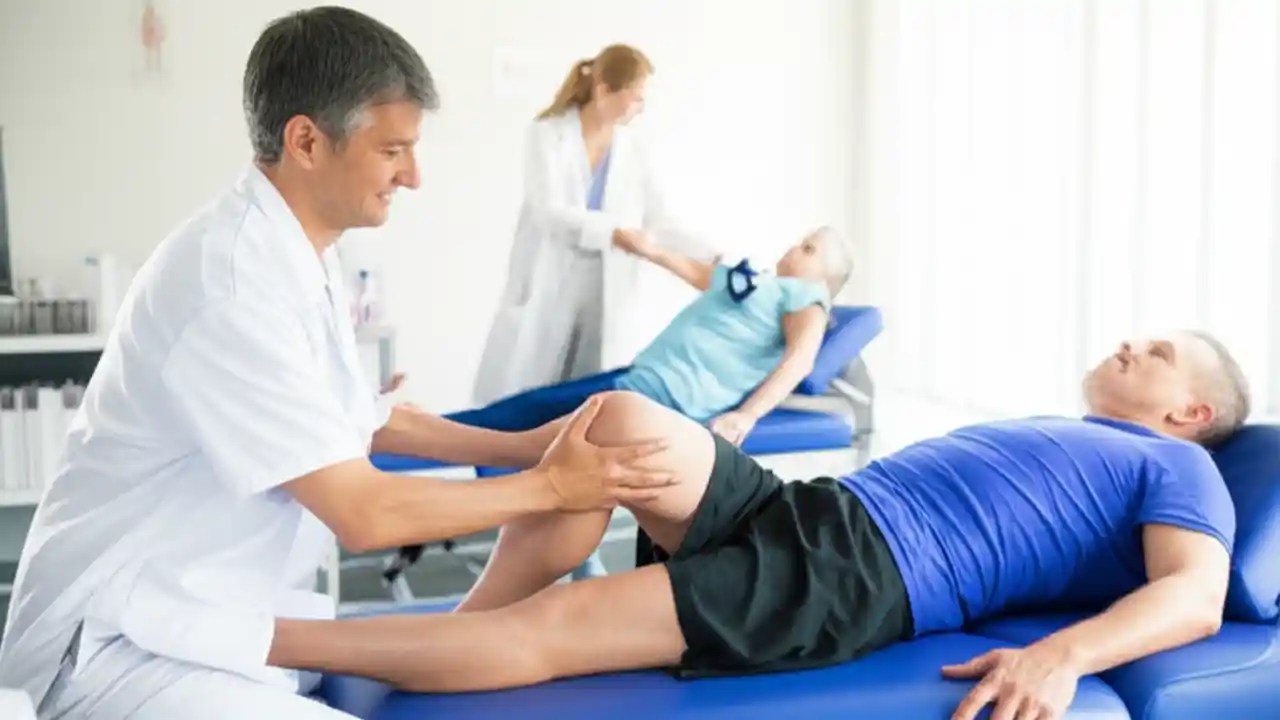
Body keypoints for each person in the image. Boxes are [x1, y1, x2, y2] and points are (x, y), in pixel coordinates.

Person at [0, 9, 668, 720]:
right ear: (307, 141)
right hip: (116, 649)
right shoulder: (228, 285)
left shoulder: (302, 253)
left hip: (225, 621)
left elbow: (365, 420)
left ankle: (448, 636)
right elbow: (364, 513)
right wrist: (548, 487)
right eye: (392, 151)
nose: (413, 176)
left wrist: (523, 448)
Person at [268, 330, 1251, 720]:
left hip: (861, 577)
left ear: (1190, 413)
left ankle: (258, 640)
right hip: (814, 506)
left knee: (554, 634)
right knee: (620, 424)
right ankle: (430, 474)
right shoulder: (1076, 431)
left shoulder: (1180, 471)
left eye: (1156, 350)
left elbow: (1194, 598)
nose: (1130, 342)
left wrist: (1061, 659)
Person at [472, 44, 713, 409]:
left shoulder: (633, 148)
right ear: (603, 90)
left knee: (586, 391)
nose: (640, 109)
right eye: (635, 98)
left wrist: (714, 253)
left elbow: (660, 219)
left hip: (604, 282)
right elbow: (550, 211)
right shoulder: (547, 134)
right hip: (549, 276)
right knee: (527, 383)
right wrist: (614, 233)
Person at [453, 226, 853, 445]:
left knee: (524, 417)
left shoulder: (808, 297)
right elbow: (702, 275)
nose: (794, 247)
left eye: (809, 249)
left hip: (666, 394)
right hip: (645, 379)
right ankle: (422, 435)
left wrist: (744, 418)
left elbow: (801, 358)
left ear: (826, 280)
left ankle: (420, 437)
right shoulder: (763, 285)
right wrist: (650, 251)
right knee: (530, 414)